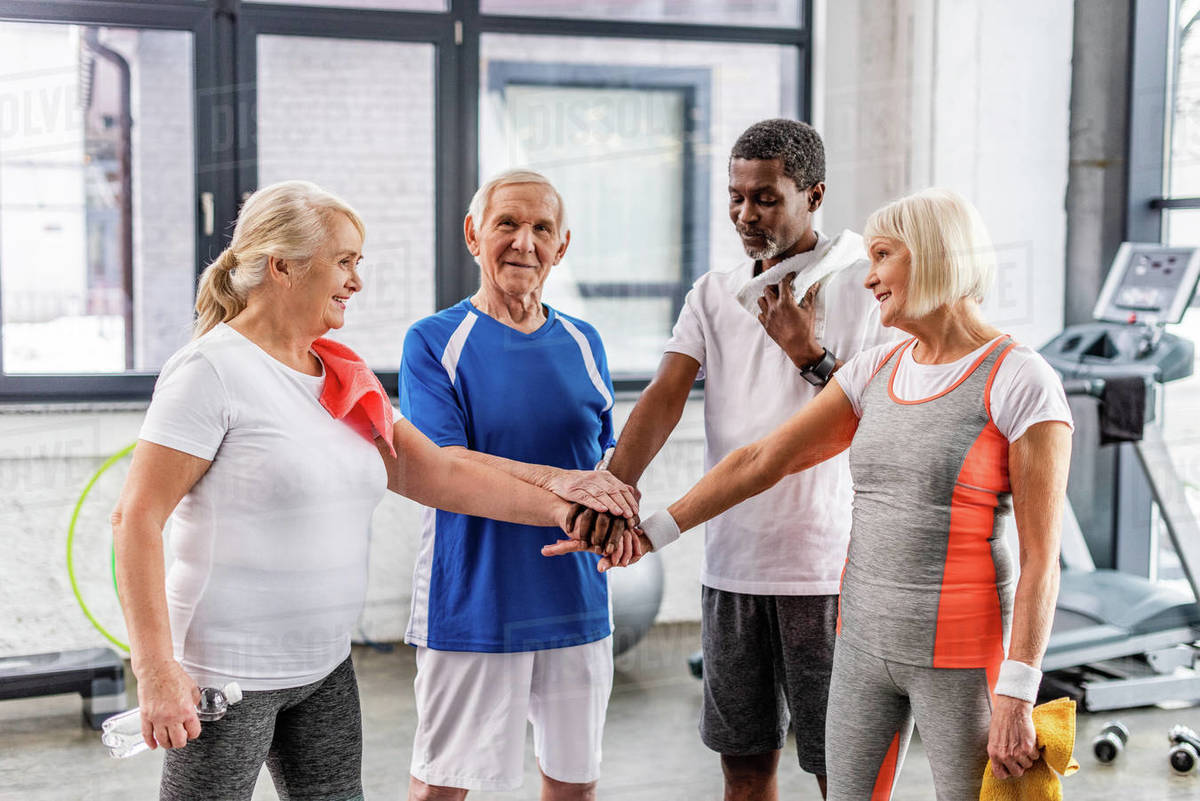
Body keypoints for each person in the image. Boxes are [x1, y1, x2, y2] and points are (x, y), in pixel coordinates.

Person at [551, 188, 1074, 801]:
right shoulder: (875, 369)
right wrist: (649, 535)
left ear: (935, 253)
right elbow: (762, 461)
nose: (869, 277)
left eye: (884, 256)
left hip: (962, 655)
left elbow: (1042, 560)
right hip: (860, 648)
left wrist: (1018, 690)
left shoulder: (1020, 378)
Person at [112, 180, 627, 801]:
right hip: (227, 670)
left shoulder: (340, 370)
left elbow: (438, 474)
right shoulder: (210, 371)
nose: (356, 281)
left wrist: (566, 508)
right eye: (344, 262)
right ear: (282, 266)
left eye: (358, 262)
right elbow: (136, 519)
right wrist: (156, 670)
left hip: (325, 667)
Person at [570, 118, 897, 801]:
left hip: (828, 571)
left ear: (814, 195)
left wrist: (809, 353)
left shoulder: (864, 287)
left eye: (766, 198)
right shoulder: (713, 293)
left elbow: (884, 420)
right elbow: (663, 397)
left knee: (845, 773)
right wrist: (610, 490)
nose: (746, 214)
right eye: (736, 196)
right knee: (744, 770)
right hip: (733, 568)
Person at [400, 169, 640, 801]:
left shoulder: (585, 341)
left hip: (577, 601)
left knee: (573, 787)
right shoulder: (433, 341)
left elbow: (604, 458)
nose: (524, 242)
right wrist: (564, 487)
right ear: (473, 234)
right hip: (475, 601)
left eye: (542, 228)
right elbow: (444, 463)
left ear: (563, 245)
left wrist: (619, 513)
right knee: (441, 790)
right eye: (506, 223)